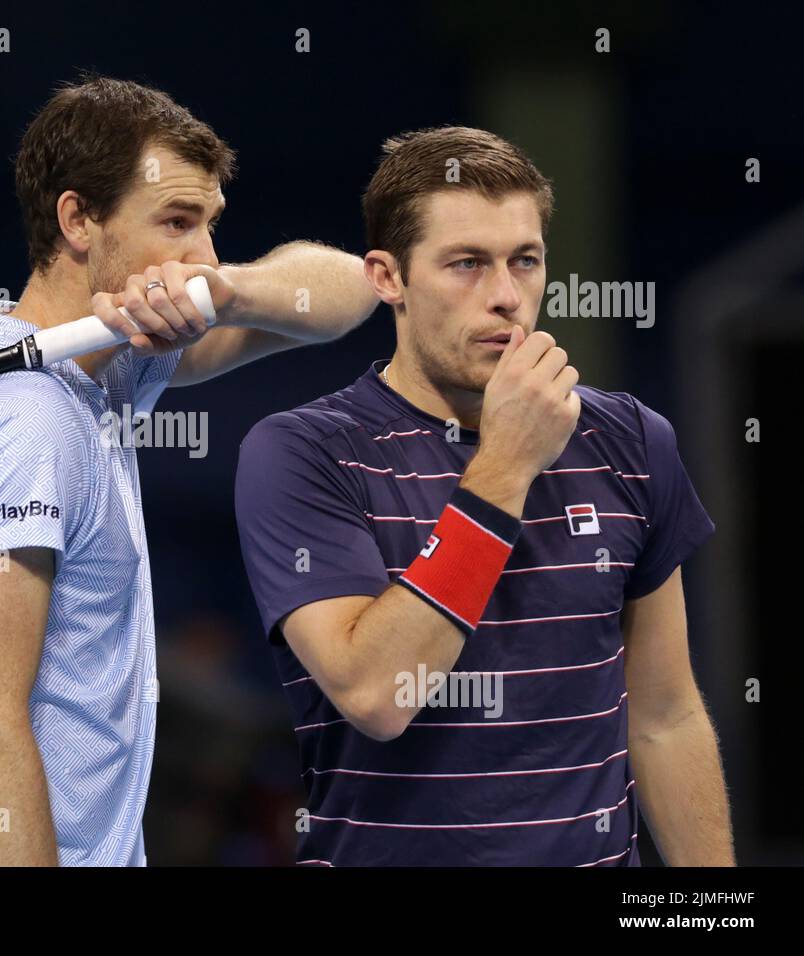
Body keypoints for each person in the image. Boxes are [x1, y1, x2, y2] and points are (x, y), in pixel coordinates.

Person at [0, 75, 378, 866]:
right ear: (78, 220)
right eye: (176, 222)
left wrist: (227, 291)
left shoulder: (110, 367)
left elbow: (348, 295)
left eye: (210, 224)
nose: (202, 256)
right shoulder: (25, 417)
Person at [234, 126, 731, 866]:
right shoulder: (302, 452)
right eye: (466, 263)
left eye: (524, 261)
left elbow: (665, 715)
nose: (505, 297)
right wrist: (504, 466)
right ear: (387, 277)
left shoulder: (631, 438)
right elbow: (378, 695)